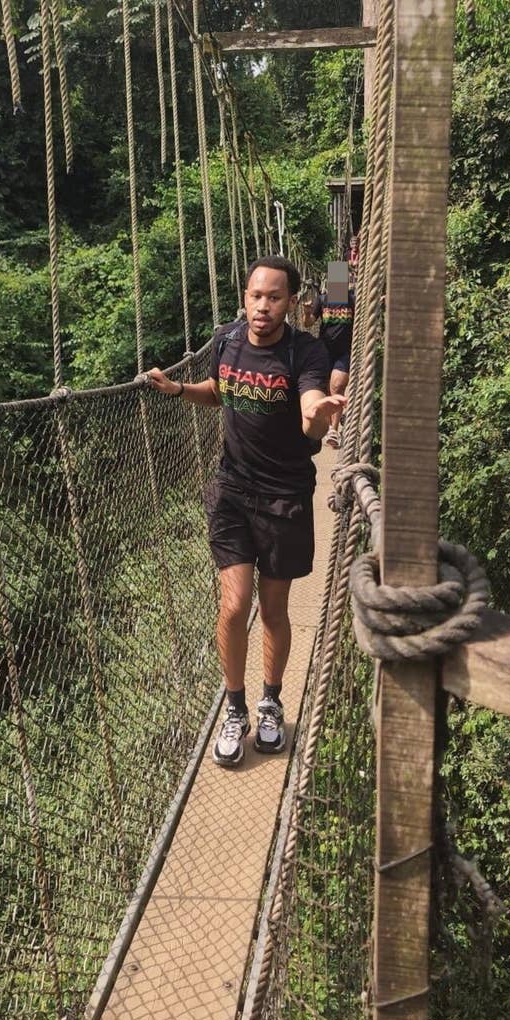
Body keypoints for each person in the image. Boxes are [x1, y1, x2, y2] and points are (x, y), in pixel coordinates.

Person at [148, 256, 345, 767]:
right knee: (235, 607)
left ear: (293, 303)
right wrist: (179, 391)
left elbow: (309, 408)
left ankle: (271, 702)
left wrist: (319, 416)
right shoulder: (227, 340)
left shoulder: (308, 351)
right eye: (256, 295)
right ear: (246, 296)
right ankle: (234, 709)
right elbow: (220, 391)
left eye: (274, 297)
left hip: (285, 497)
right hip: (233, 490)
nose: (262, 306)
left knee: (274, 610)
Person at [311, 259, 355, 449]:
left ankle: (334, 431)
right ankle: (329, 425)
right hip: (324, 351)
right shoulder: (322, 300)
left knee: (337, 387)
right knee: (326, 390)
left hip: (344, 351)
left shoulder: (352, 300)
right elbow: (307, 323)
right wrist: (305, 312)